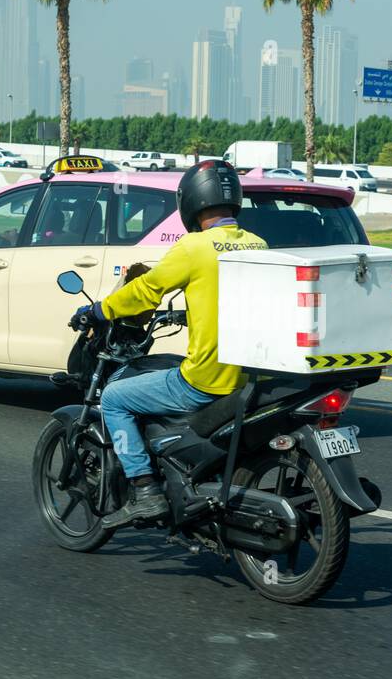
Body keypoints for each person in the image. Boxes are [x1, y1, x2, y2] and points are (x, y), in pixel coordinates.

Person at [71, 160, 267, 526]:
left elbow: (146, 290)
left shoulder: (194, 247)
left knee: (114, 398)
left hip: (208, 378)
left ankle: (145, 490)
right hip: (250, 376)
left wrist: (101, 310)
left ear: (191, 202)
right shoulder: (258, 244)